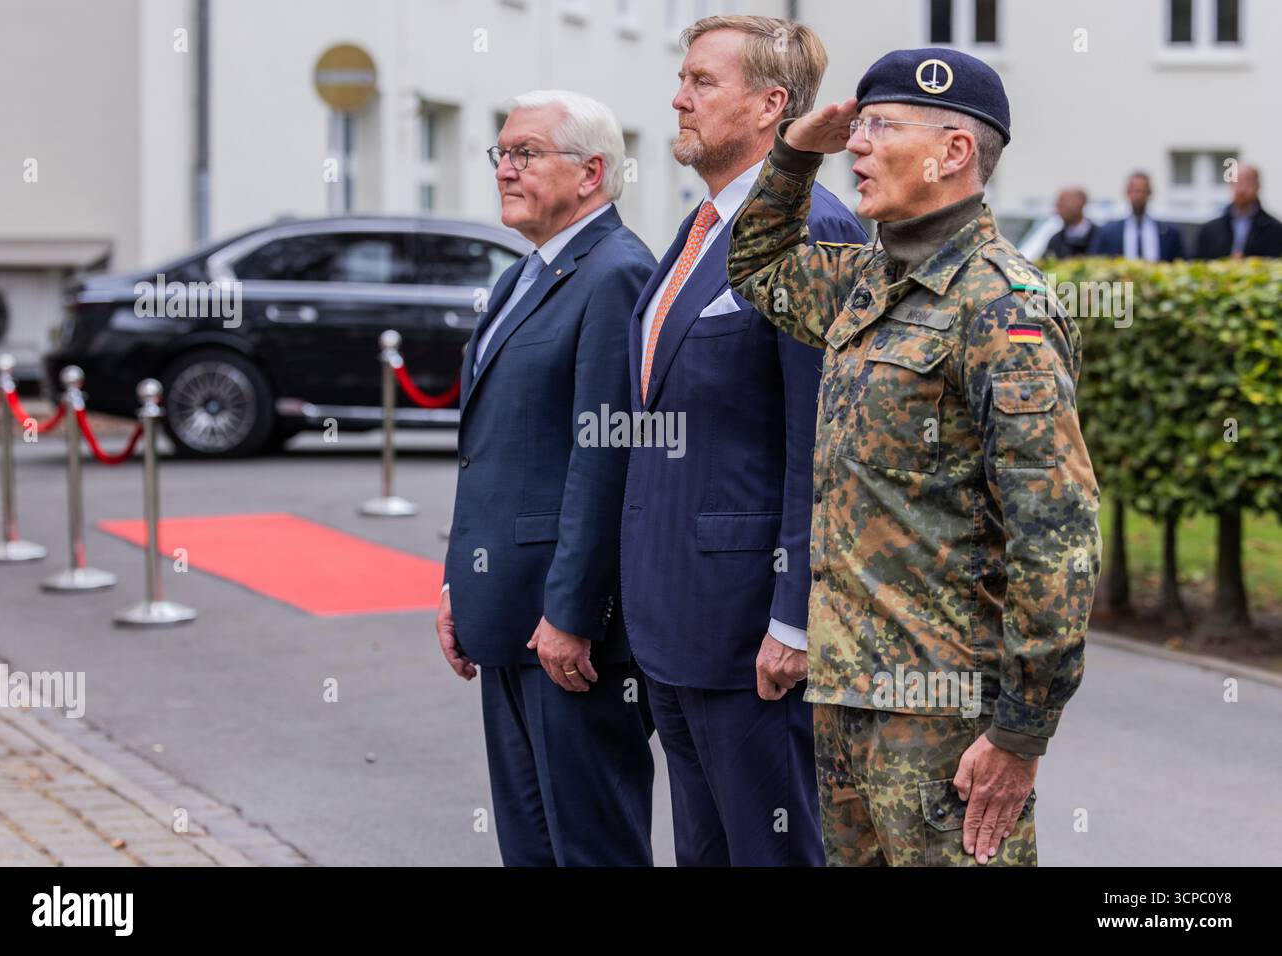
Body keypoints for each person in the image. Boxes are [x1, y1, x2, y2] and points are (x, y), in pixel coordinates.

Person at [727, 47, 1101, 866]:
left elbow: (1059, 535)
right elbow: (755, 266)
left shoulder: (1002, 306)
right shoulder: (870, 282)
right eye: (857, 128)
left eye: (879, 127)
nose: (856, 146)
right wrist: (795, 150)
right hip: (847, 696)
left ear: (953, 152)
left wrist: (1021, 730)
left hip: (944, 717)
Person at [620, 14, 864, 867]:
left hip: (751, 633)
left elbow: (820, 442)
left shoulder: (814, 230)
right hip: (675, 623)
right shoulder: (697, 232)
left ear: (771, 105)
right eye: (683, 79)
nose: (678, 99)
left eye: (701, 82)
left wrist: (795, 619)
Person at [437, 90, 656, 866]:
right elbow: (495, 454)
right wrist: (456, 585)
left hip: (568, 633)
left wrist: (574, 612)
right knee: (531, 850)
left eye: (525, 153)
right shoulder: (520, 278)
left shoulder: (616, 274)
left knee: (592, 849)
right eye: (501, 153)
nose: (504, 169)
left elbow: (607, 458)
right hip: (506, 611)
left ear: (591, 173)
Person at [1088, 171, 1184, 260]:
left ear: (1150, 193)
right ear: (1127, 193)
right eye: (1135, 191)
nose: (1138, 197)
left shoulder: (1169, 233)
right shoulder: (1108, 232)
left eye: (1142, 191)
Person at [1194, 164, 1282, 259]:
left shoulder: (1274, 229)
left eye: (1247, 183)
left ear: (1258, 186)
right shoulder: (1211, 229)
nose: (1241, 189)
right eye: (1237, 183)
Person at [1044, 187, 1094, 258]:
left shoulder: (1102, 237)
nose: (1057, 210)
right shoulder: (1056, 240)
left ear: (1080, 203)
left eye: (1062, 204)